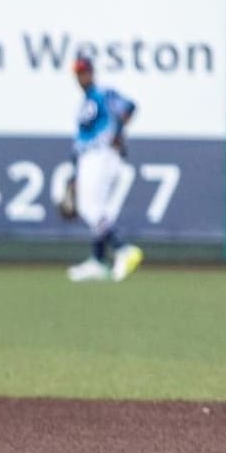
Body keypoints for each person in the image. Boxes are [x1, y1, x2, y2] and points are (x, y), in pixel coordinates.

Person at [64, 54, 144, 283]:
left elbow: (130, 107)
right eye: (78, 73)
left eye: (84, 71)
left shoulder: (102, 94)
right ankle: (99, 260)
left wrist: (118, 132)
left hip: (101, 155)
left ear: (92, 72)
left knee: (89, 207)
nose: (81, 76)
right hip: (89, 158)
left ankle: (123, 249)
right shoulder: (86, 101)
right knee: (98, 209)